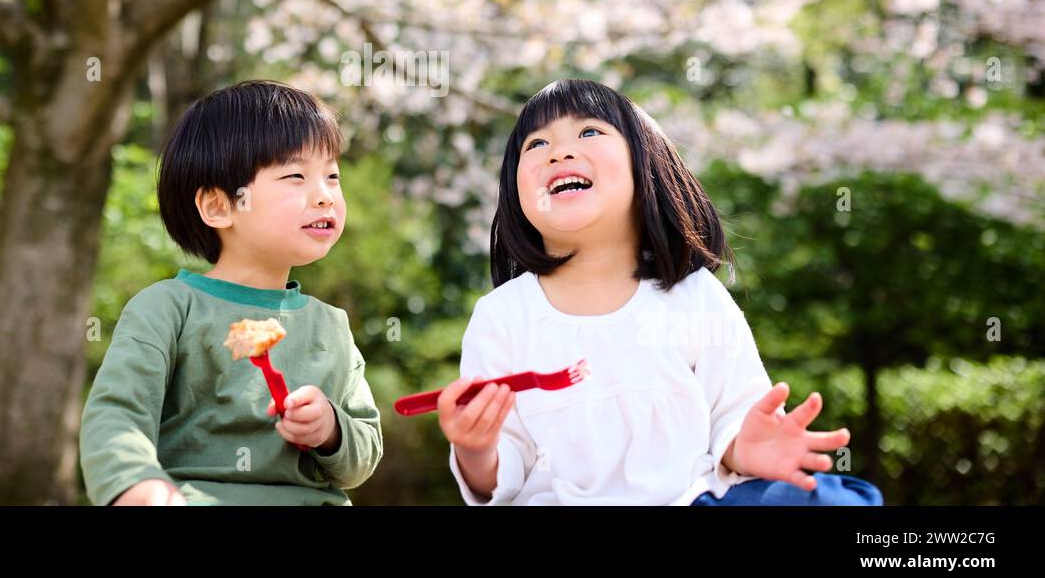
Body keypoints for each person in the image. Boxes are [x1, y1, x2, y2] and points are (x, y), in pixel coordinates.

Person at [438, 78, 883, 506]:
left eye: (589, 130)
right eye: (536, 144)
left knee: (835, 500)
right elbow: (502, 470)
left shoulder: (694, 297)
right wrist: (475, 450)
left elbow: (734, 415)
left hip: (694, 500)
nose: (559, 152)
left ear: (644, 164)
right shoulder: (502, 316)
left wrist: (746, 447)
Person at [80, 80, 382, 505]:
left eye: (332, 175)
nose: (324, 196)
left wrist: (331, 429)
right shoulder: (167, 309)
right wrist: (137, 484)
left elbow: (361, 459)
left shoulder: (331, 326)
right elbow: (116, 414)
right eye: (296, 175)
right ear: (219, 206)